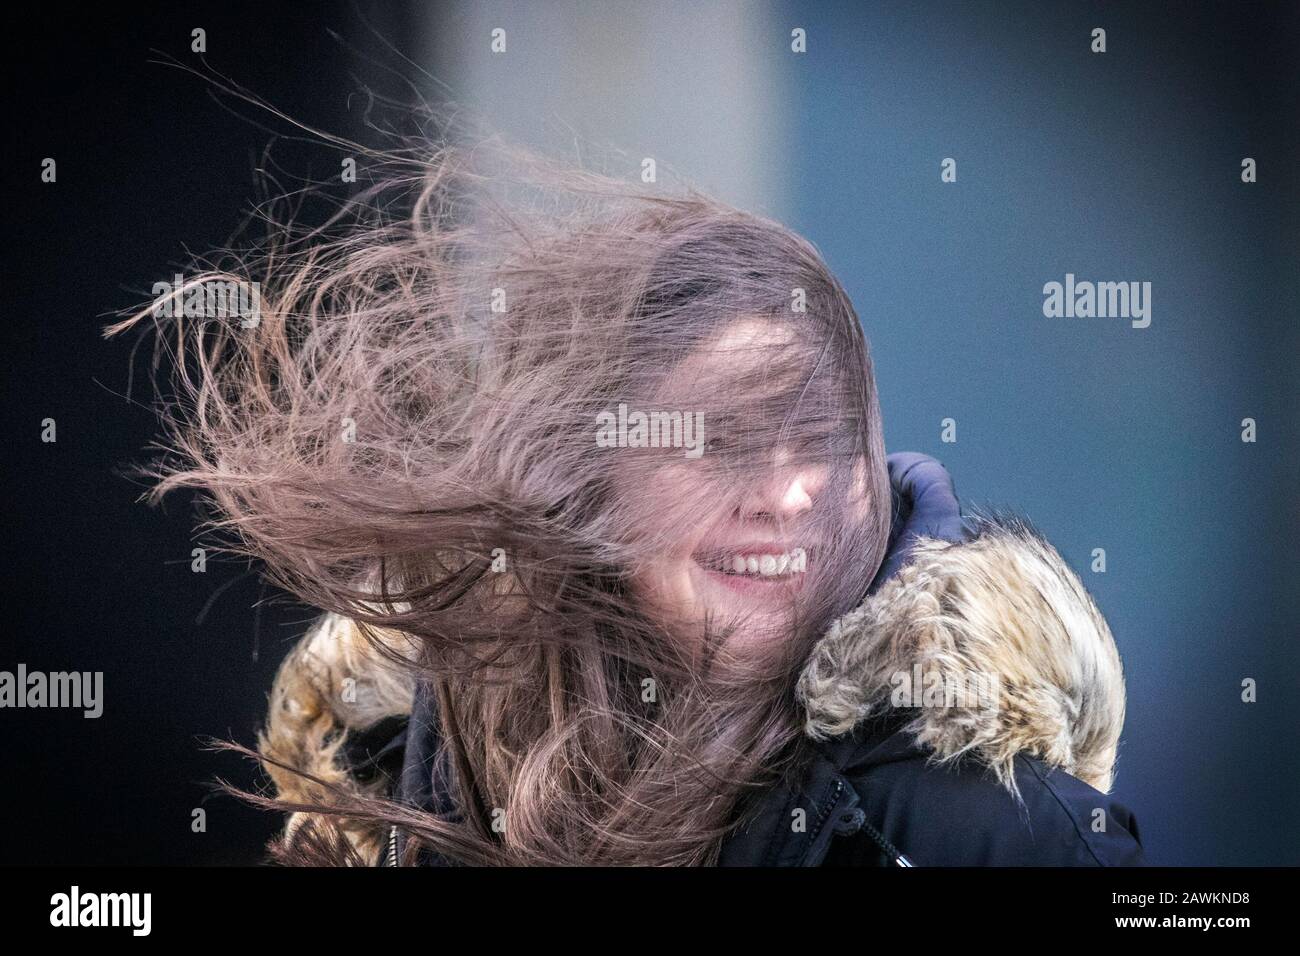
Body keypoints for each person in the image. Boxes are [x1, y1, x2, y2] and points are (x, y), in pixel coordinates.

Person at [111, 129, 1144, 866]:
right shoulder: (388, 790)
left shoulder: (1003, 832)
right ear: (583, 473)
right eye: (720, 440)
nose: (788, 493)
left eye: (823, 443)